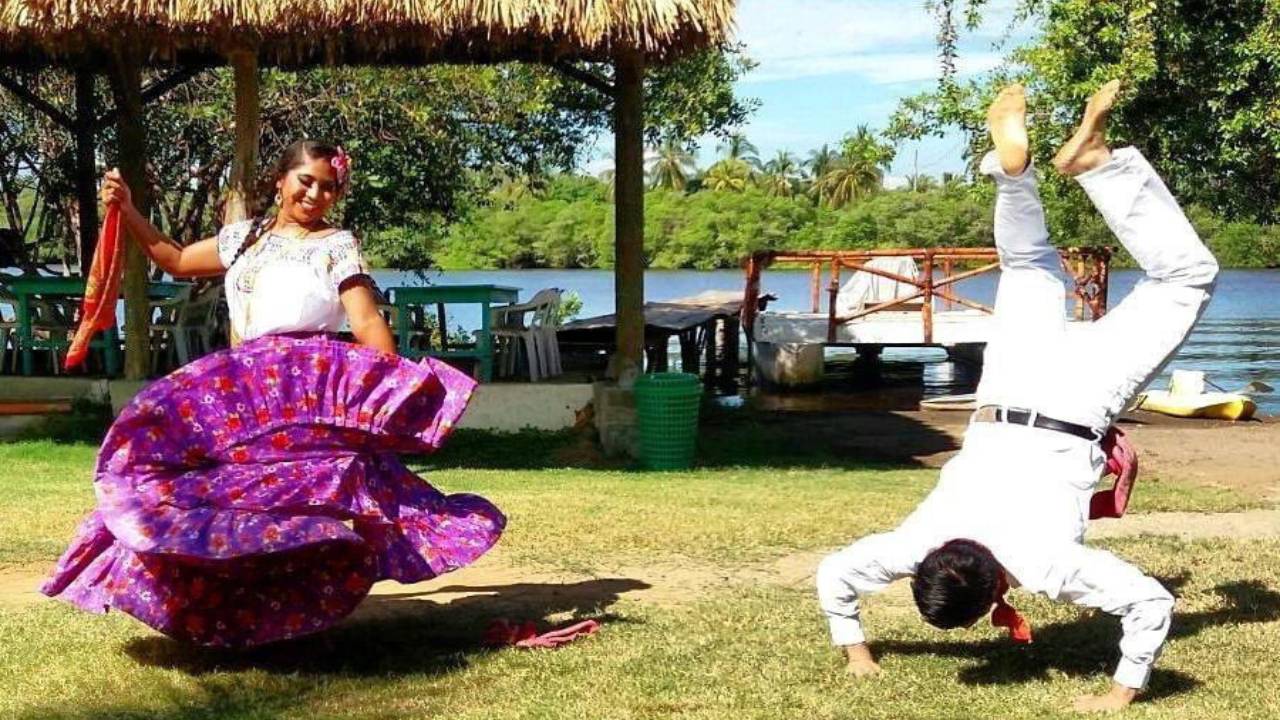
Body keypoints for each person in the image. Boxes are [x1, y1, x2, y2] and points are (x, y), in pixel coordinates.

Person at [815, 82, 1219, 713]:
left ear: (992, 592)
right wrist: (856, 650)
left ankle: (1097, 165)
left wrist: (1119, 694)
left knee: (1186, 277)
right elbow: (835, 573)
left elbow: (1152, 602)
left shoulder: (1043, 565)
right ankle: (1016, 176)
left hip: (1078, 405)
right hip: (1003, 389)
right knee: (1029, 263)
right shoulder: (910, 542)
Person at [42, 140, 505, 647]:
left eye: (328, 187)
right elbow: (173, 259)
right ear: (280, 180)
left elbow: (365, 318)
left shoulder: (335, 244)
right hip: (245, 395)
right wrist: (128, 210)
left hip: (306, 391)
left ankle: (289, 611)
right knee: (230, 495)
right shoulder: (243, 238)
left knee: (305, 492)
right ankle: (232, 609)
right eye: (306, 181)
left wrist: (390, 392)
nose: (315, 194)